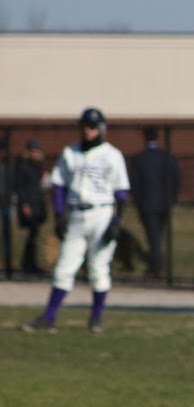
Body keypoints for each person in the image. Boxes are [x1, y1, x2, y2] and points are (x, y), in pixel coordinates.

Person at [20, 107, 130, 334]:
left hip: (101, 212)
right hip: (77, 215)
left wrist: (117, 220)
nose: (88, 131)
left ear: (101, 129)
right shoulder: (71, 152)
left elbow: (121, 192)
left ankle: (96, 319)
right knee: (64, 268)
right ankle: (49, 318)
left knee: (98, 268)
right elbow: (58, 185)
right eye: (85, 127)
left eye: (93, 127)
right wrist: (59, 215)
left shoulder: (112, 155)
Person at [128, 126, 181, 280]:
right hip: (164, 203)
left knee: (154, 237)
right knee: (157, 235)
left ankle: (156, 267)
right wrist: (172, 198)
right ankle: (155, 263)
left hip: (146, 204)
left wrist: (137, 201)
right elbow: (176, 179)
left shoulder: (139, 159)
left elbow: (134, 183)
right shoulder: (167, 157)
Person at [13, 138, 50, 276]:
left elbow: (42, 184)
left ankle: (32, 263)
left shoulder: (38, 166)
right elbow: (21, 187)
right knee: (29, 235)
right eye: (33, 151)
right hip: (29, 203)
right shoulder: (23, 166)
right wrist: (24, 204)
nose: (35, 154)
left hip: (38, 203)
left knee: (35, 235)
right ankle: (26, 264)